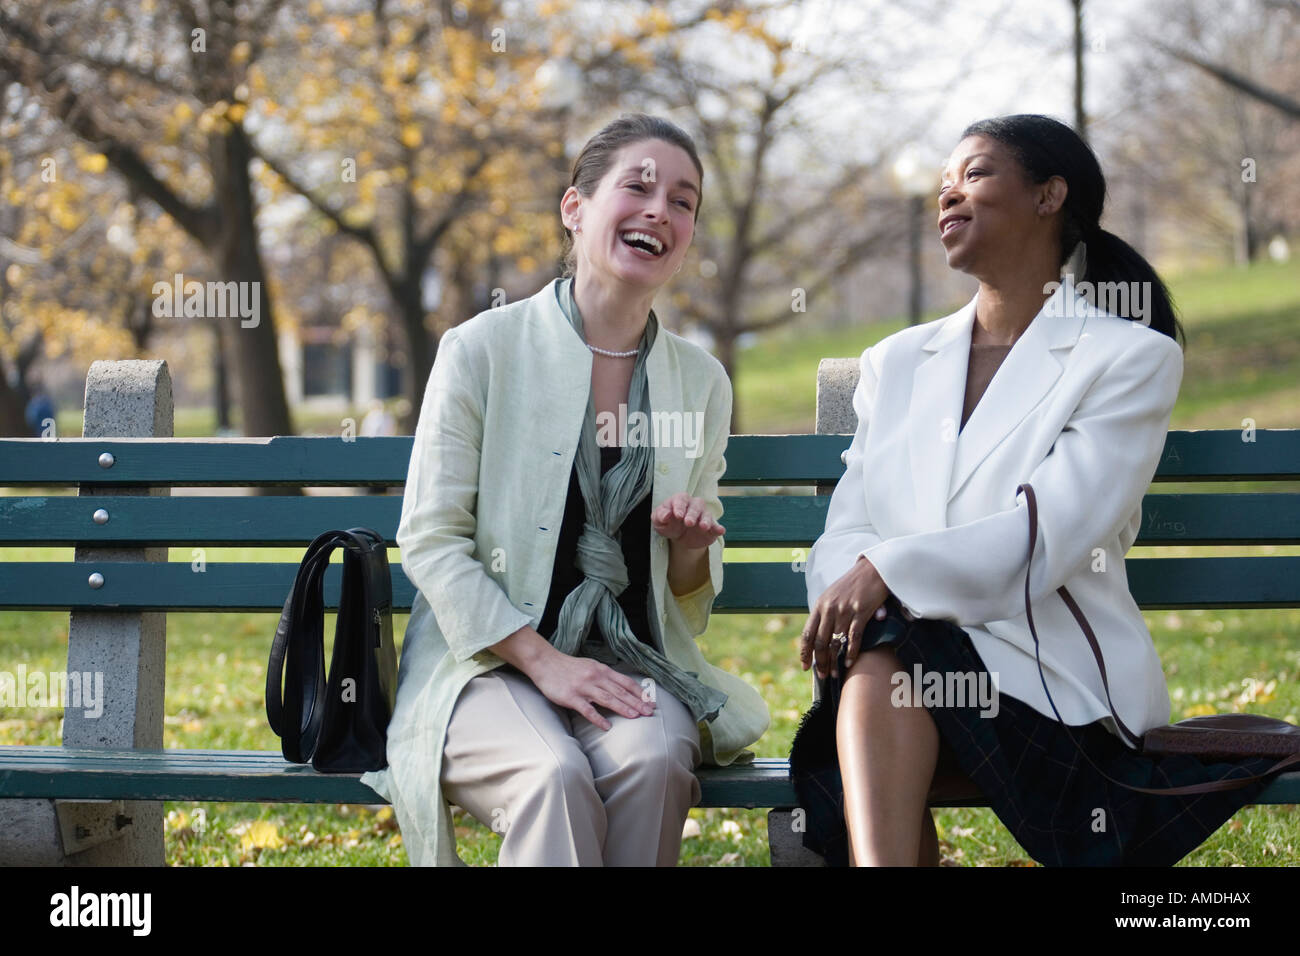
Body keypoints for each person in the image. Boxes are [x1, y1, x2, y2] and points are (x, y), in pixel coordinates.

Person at [794, 113, 1283, 867]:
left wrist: (888, 575)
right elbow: (848, 528)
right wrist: (865, 578)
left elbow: (1048, 534)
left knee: (888, 655)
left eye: (976, 174)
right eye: (943, 183)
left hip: (1053, 687)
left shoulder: (1126, 357)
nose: (948, 196)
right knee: (887, 659)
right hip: (904, 678)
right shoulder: (895, 363)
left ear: (1050, 194)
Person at [359, 113, 769, 866]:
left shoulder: (699, 383)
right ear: (575, 209)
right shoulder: (482, 350)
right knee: (552, 776)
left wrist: (686, 548)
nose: (660, 210)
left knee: (651, 762)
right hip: (484, 664)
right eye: (638, 186)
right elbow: (430, 537)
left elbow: (686, 599)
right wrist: (544, 662)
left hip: (632, 663)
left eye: (683, 201)